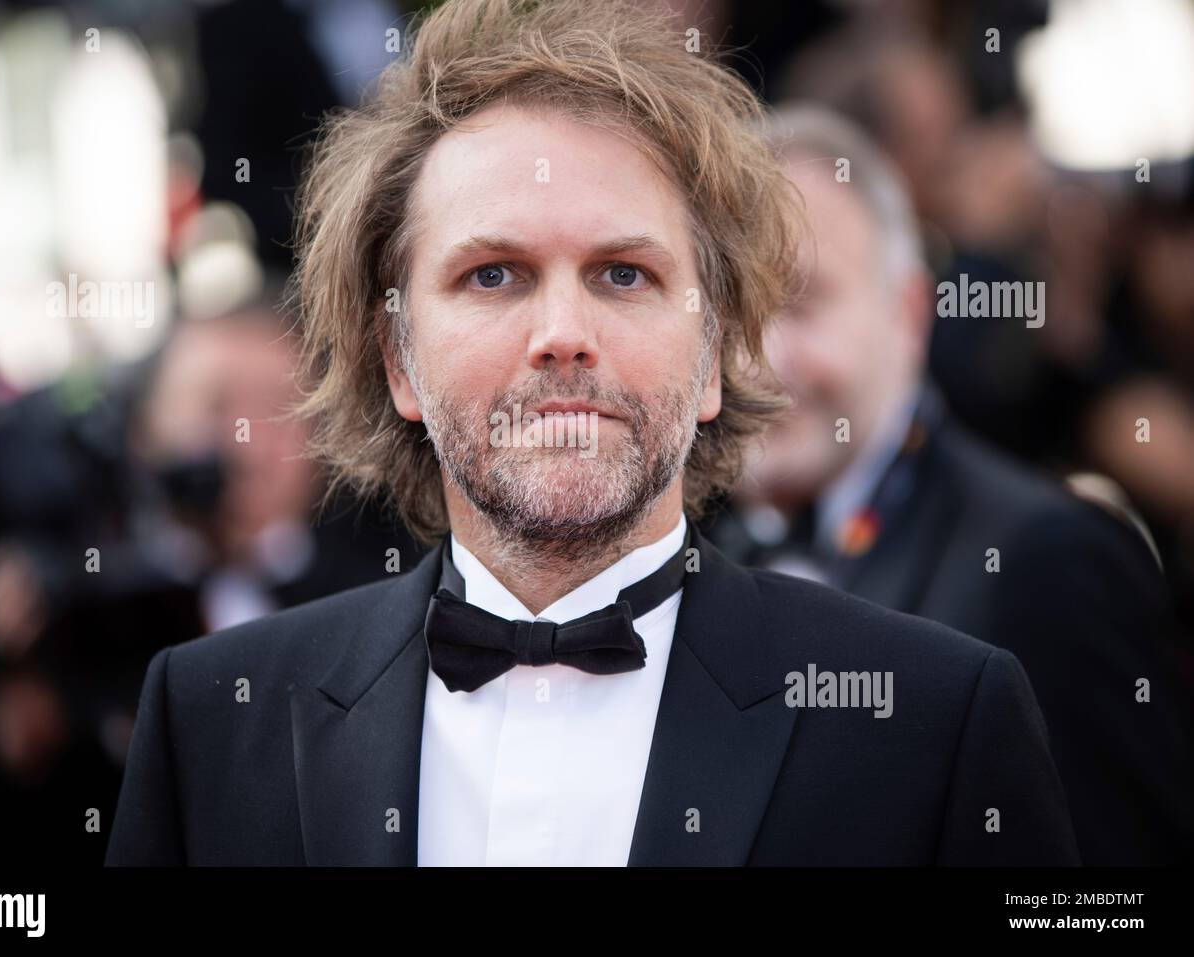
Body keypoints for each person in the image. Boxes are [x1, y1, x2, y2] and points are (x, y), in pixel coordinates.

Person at [106, 0, 1077, 866]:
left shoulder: (934, 721)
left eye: (622, 274)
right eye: (492, 275)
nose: (561, 335)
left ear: (713, 355)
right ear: (397, 359)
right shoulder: (211, 725)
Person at [704, 106, 1193, 865]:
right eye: (734, 311)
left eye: (801, 303)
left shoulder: (1049, 563)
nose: (761, 361)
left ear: (907, 313)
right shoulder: (674, 552)